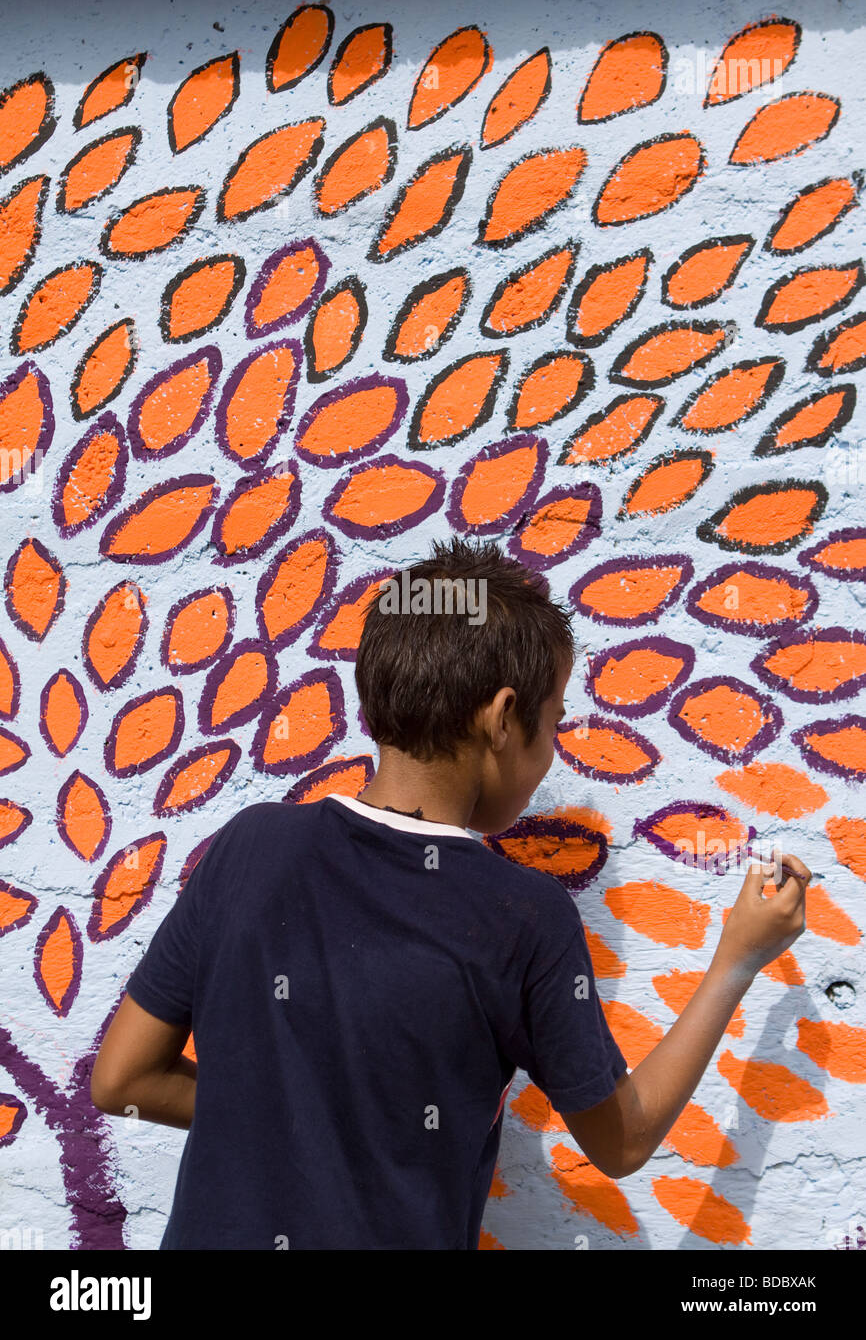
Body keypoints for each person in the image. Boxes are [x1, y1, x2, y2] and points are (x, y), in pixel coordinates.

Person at [90, 534, 813, 1249]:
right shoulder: (524, 917)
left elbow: (122, 1078)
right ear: (502, 719)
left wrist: (296, 1119)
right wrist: (737, 959)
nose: (549, 751)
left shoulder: (250, 846)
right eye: (554, 722)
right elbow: (622, 1142)